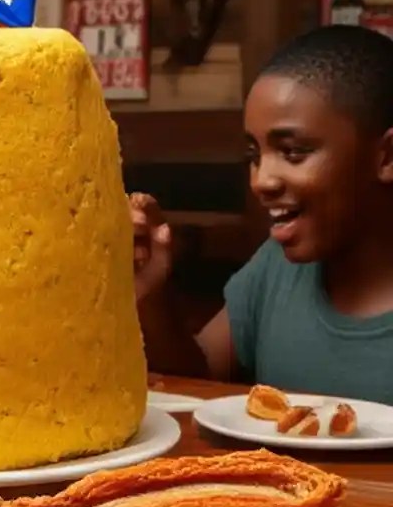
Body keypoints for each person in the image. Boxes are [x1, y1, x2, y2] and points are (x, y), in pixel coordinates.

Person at [133, 25, 393, 403]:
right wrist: (153, 293)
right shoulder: (277, 267)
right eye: (254, 156)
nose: (261, 181)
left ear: (386, 157)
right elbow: (197, 379)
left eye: (293, 152)